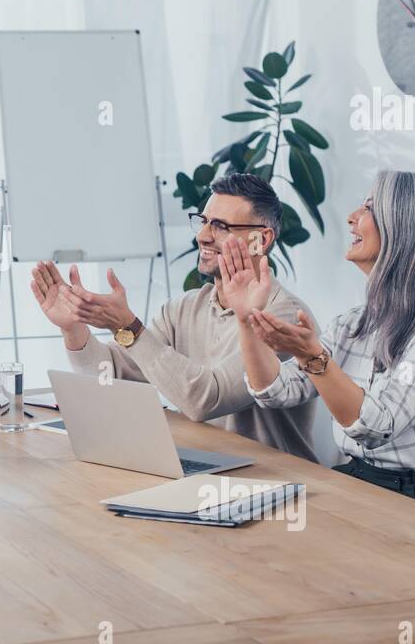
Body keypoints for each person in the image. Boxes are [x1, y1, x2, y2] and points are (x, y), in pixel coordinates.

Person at [223, 170, 415, 519]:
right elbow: (276, 392)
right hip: (360, 481)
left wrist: (312, 356)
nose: (351, 217)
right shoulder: (356, 323)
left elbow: (377, 427)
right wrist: (246, 317)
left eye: (369, 208)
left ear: (407, 229)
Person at [32, 172, 317, 459]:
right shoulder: (183, 308)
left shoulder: (285, 316)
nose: (203, 236)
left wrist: (128, 325)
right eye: (203, 222)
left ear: (261, 239)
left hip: (275, 482)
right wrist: (73, 329)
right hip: (203, 465)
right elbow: (110, 376)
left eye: (220, 226)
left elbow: (207, 399)